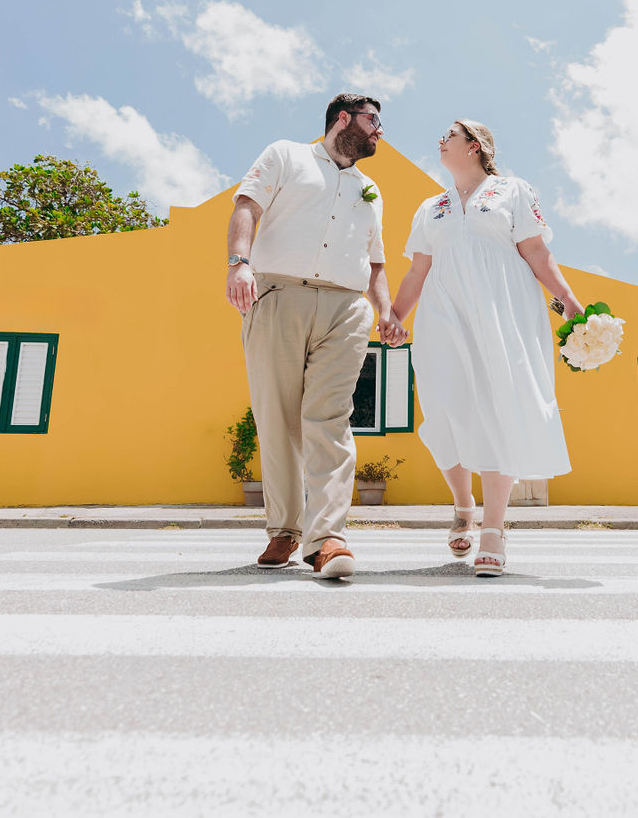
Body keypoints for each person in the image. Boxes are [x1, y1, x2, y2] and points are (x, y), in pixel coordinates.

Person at [389, 120, 581, 577]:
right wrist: (396, 316)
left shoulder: (513, 191)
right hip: (442, 314)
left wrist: (570, 303)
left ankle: (493, 528)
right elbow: (418, 271)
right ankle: (463, 505)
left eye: (449, 136)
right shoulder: (429, 207)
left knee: (499, 407)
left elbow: (536, 252)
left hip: (504, 311)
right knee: (443, 406)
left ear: (473, 147)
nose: (440, 141)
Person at [225, 93, 406, 578]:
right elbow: (247, 205)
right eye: (373, 121)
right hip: (278, 294)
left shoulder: (370, 188)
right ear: (343, 118)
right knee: (278, 416)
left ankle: (328, 538)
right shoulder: (285, 155)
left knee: (329, 417)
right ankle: (284, 530)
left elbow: (376, 261)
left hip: (346, 308)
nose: (379, 131)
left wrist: (385, 311)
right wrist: (239, 264)